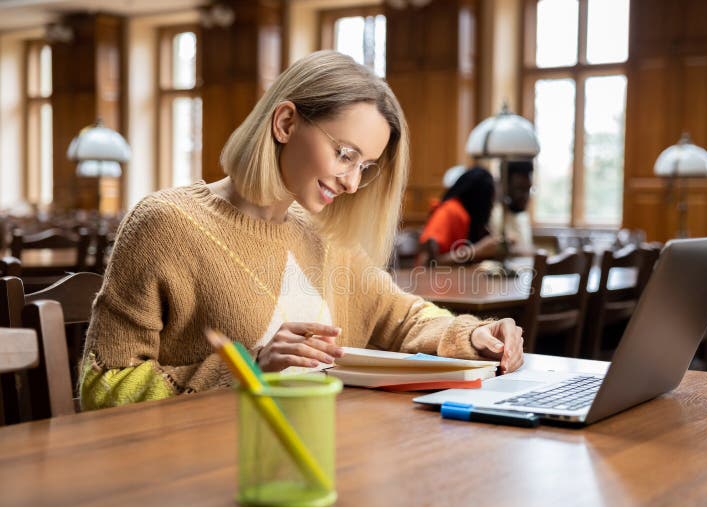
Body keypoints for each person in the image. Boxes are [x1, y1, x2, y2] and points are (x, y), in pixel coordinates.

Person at [78, 51, 524, 409]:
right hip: (205, 478)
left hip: (319, 454)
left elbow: (402, 317)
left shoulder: (323, 232)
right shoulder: (166, 224)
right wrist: (251, 368)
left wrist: (473, 336)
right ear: (286, 123)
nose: (352, 183)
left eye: (365, 166)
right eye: (345, 154)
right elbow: (103, 387)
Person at [417, 166, 504, 265]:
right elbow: (425, 262)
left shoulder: (464, 214)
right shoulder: (450, 210)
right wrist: (476, 250)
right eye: (489, 201)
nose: (491, 207)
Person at [489, 160, 534, 256]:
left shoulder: (522, 215)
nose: (525, 196)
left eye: (528, 189)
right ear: (505, 186)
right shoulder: (494, 216)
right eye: (519, 189)